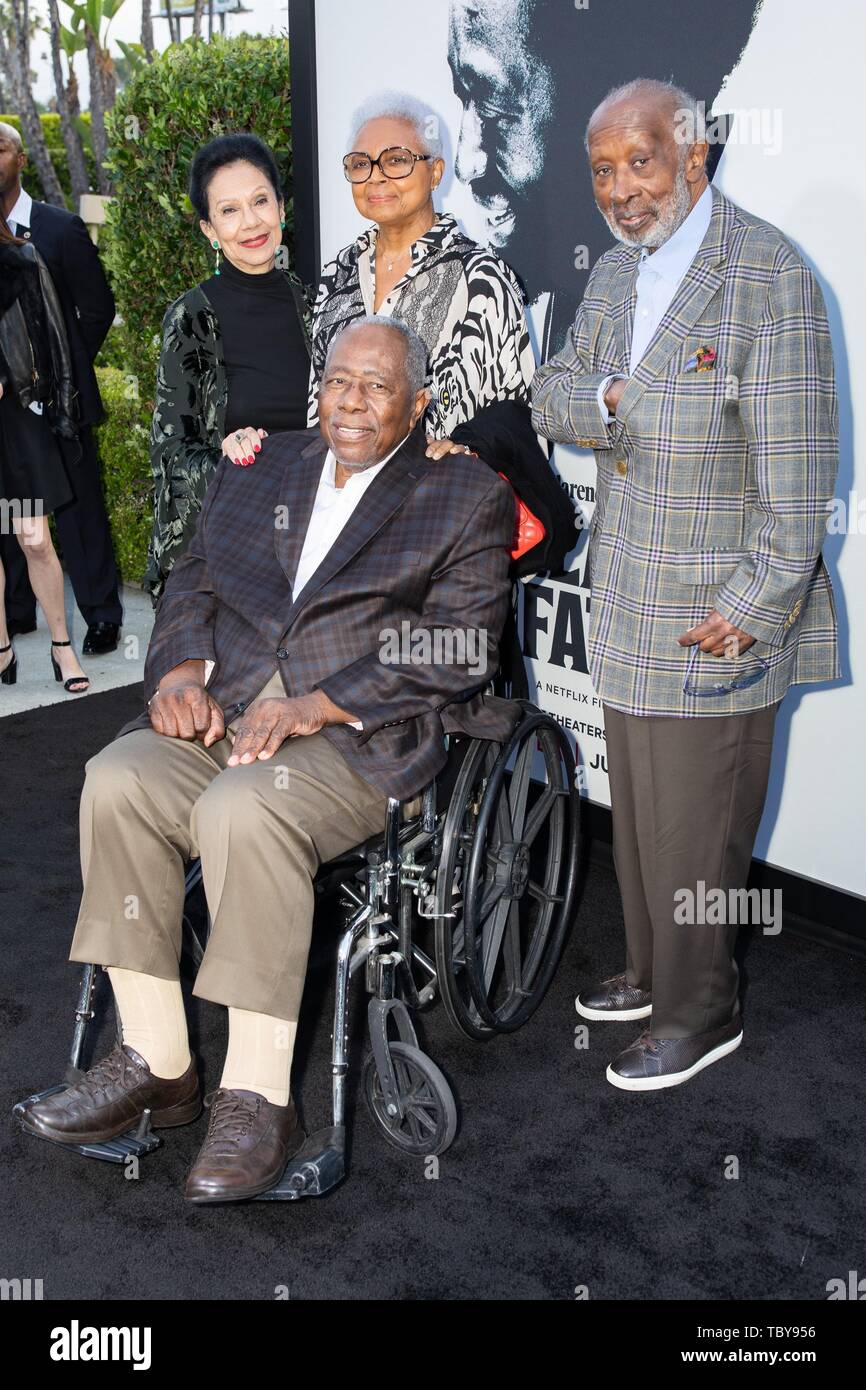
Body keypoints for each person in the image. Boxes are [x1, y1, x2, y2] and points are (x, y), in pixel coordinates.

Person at [19, 316, 518, 1202]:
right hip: (232, 708)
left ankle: (255, 1097)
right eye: (339, 381)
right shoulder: (262, 465)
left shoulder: (464, 493)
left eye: (378, 387)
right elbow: (195, 577)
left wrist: (316, 703)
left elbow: (461, 646)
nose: (352, 402)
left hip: (355, 737)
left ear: (419, 403)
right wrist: (179, 672)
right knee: (118, 779)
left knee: (241, 808)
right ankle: (160, 1062)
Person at [531, 79, 839, 1090]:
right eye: (602, 169)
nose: (619, 189)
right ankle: (657, 969)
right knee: (643, 813)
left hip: (715, 614)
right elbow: (554, 395)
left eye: (640, 162)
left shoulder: (768, 276)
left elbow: (800, 480)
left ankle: (702, 1008)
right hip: (624, 596)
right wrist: (613, 397)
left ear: (693, 159)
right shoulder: (617, 277)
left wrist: (748, 610)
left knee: (700, 823)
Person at [447, 0, 761, 358]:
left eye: (493, 108)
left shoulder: (767, 273)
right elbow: (552, 393)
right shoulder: (604, 272)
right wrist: (602, 394)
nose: (464, 163)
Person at [308, 92, 537, 450]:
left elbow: (516, 416)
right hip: (345, 493)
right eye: (360, 164)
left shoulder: (481, 278)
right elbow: (317, 404)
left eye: (396, 160)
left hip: (442, 497)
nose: (376, 177)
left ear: (435, 173)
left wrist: (470, 449)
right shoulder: (336, 274)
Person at [145, 133, 311, 601]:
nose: (251, 222)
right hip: (227, 554)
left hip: (312, 541)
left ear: (281, 207)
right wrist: (227, 459)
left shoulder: (315, 304)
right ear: (209, 230)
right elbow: (171, 454)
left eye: (260, 201)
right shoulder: (192, 317)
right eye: (229, 210)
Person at [0, 121, 122, 656]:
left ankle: (100, 616)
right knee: (14, 514)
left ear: (22, 159)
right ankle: (18, 612)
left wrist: (61, 369)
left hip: (60, 401)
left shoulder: (59, 228)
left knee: (78, 512)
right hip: (6, 410)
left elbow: (97, 310)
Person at [0, 215, 90, 693]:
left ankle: (61, 646)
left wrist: (59, 408)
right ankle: (1, 647)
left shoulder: (20, 260)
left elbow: (55, 339)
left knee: (33, 538)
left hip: (16, 419)